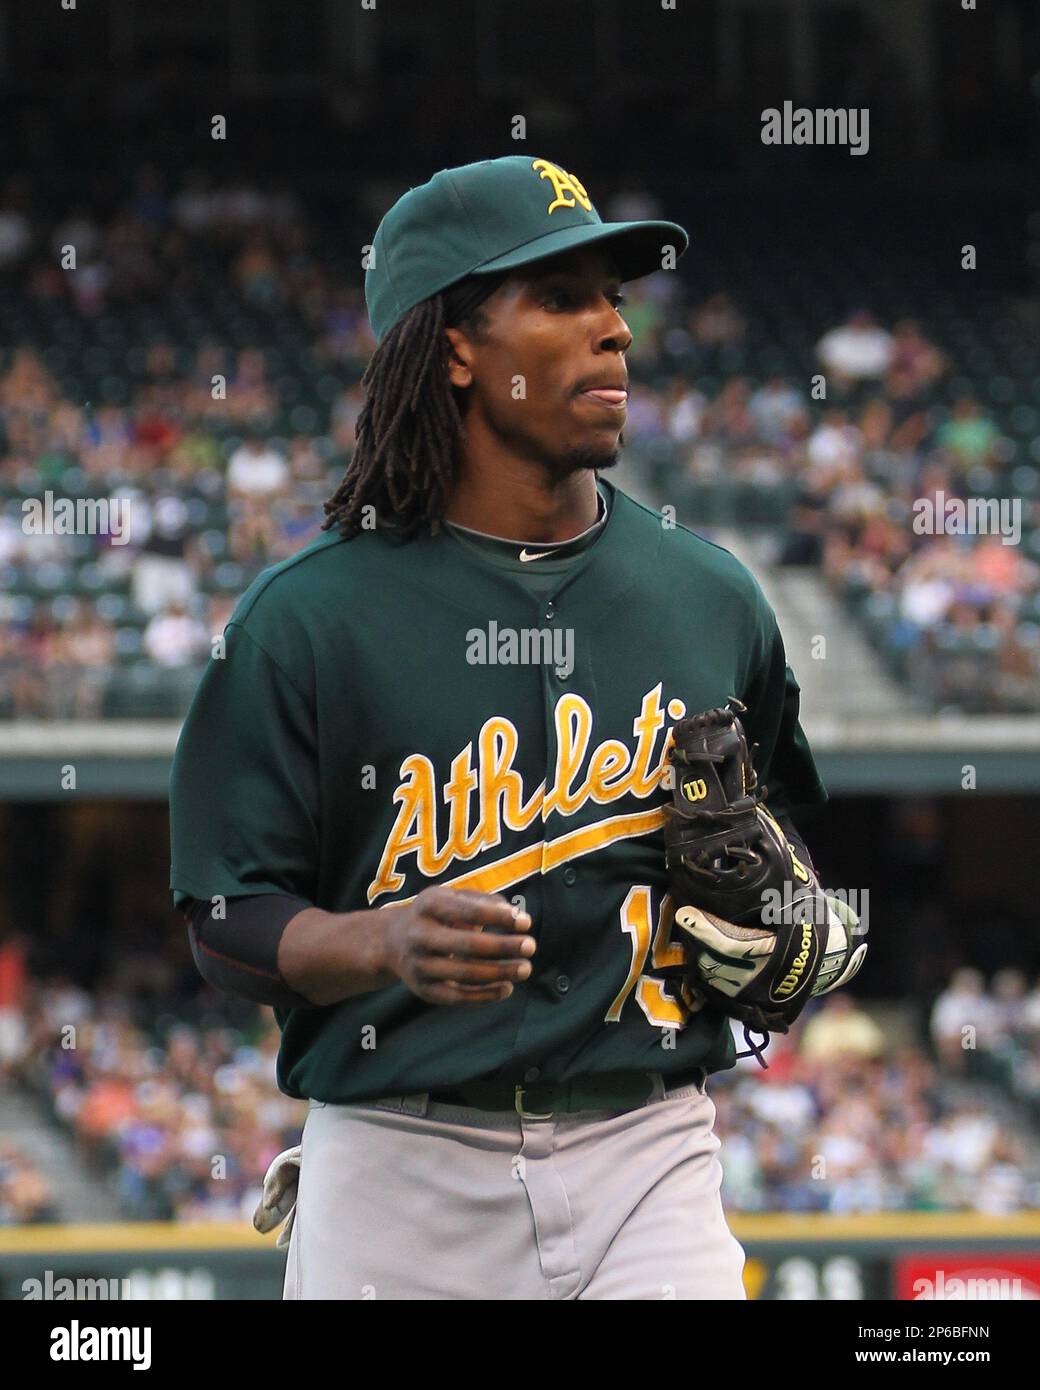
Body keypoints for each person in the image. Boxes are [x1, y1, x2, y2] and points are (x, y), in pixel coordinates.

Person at [170, 155, 846, 1301]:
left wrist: (790, 922)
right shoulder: (307, 619)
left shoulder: (707, 595)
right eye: (560, 296)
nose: (613, 331)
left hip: (648, 1148)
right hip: (397, 1165)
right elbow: (224, 918)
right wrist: (378, 944)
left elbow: (793, 854)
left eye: (613, 298)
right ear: (454, 348)